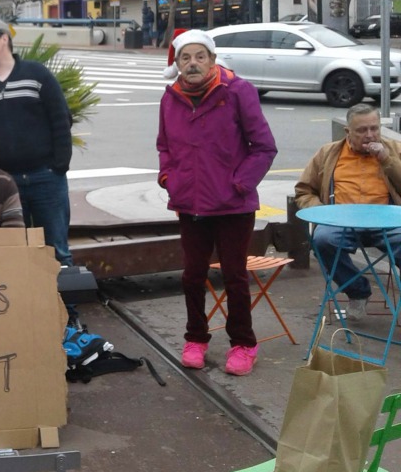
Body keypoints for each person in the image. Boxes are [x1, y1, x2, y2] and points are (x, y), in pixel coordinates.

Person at [157, 29, 277, 377]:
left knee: (235, 277)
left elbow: (264, 147)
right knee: (192, 276)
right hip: (189, 203)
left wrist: (239, 183)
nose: (192, 63)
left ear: (212, 59)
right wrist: (169, 178)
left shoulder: (238, 91)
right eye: (185, 58)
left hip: (233, 205)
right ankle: (196, 338)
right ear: (177, 64)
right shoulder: (170, 98)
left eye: (199, 56)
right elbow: (164, 145)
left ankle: (243, 344)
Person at [0, 18, 73, 267]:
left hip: (46, 179)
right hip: (3, 183)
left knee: (57, 251)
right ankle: (22, 305)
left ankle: (65, 307)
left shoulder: (37, 75)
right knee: (12, 252)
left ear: (4, 38)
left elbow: (61, 121)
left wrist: (59, 166)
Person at [294, 104, 401, 320]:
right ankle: (357, 292)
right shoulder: (328, 153)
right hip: (341, 222)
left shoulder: (395, 149)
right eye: (362, 130)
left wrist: (386, 160)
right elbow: (304, 191)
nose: (369, 135)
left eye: (374, 128)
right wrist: (323, 213)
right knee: (322, 239)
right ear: (348, 132)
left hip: (387, 223)